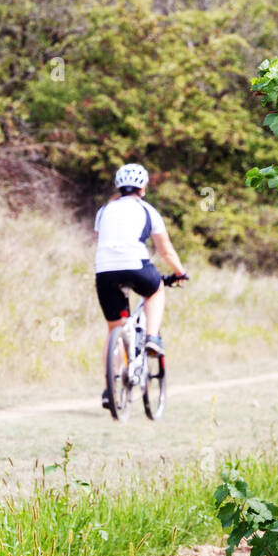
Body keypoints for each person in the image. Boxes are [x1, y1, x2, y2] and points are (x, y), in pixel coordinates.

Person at [94, 163, 188, 407]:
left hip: (104, 270)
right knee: (155, 290)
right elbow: (165, 250)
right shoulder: (148, 210)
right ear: (143, 187)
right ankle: (152, 337)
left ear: (118, 186)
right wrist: (180, 272)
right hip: (135, 265)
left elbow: (101, 240)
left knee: (114, 327)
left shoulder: (104, 211)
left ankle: (109, 389)